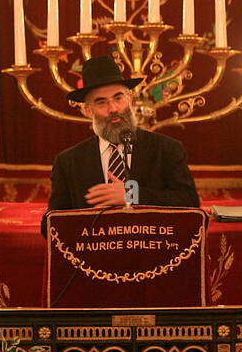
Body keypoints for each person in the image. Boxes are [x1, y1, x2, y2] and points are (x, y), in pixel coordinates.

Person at [44, 55, 199, 231]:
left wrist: (133, 195)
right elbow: (50, 225)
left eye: (118, 98)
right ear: (88, 110)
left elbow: (190, 203)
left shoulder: (167, 150)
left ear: (130, 99)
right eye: (101, 102)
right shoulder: (68, 162)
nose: (113, 109)